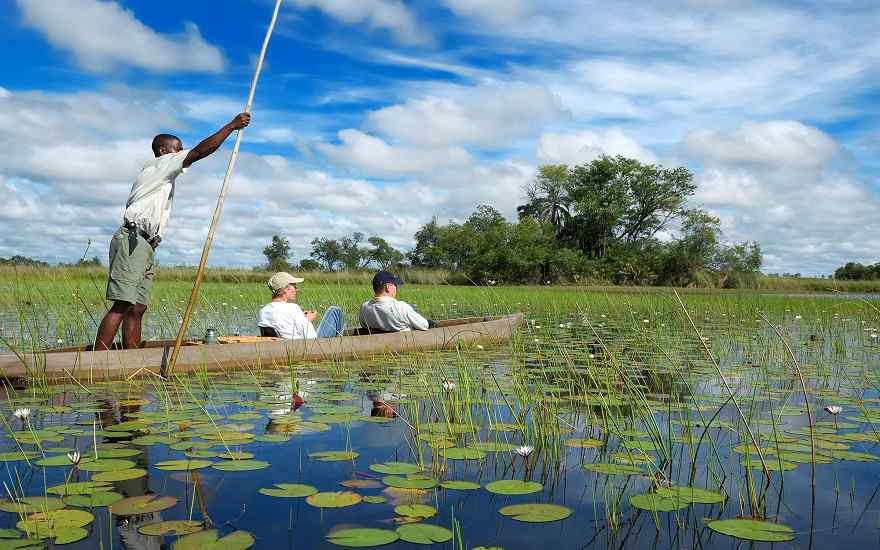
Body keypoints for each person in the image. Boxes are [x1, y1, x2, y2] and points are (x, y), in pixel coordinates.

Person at [94, 113, 252, 350]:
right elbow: (200, 151)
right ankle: (97, 360)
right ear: (162, 151)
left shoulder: (163, 173)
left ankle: (132, 357)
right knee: (122, 303)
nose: (181, 153)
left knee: (137, 307)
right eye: (177, 149)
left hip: (145, 243)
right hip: (132, 240)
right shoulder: (159, 164)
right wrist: (232, 126)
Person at [258, 272, 345, 339]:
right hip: (306, 347)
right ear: (285, 289)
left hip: (282, 345)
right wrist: (308, 320)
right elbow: (311, 337)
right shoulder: (293, 308)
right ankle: (340, 345)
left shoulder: (263, 310)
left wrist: (302, 319)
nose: (297, 289)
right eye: (294, 286)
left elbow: (282, 327)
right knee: (335, 310)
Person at [359, 271, 432, 332]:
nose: (396, 288)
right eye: (395, 285)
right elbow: (424, 325)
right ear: (388, 287)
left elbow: (364, 326)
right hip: (404, 345)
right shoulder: (401, 307)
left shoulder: (364, 307)